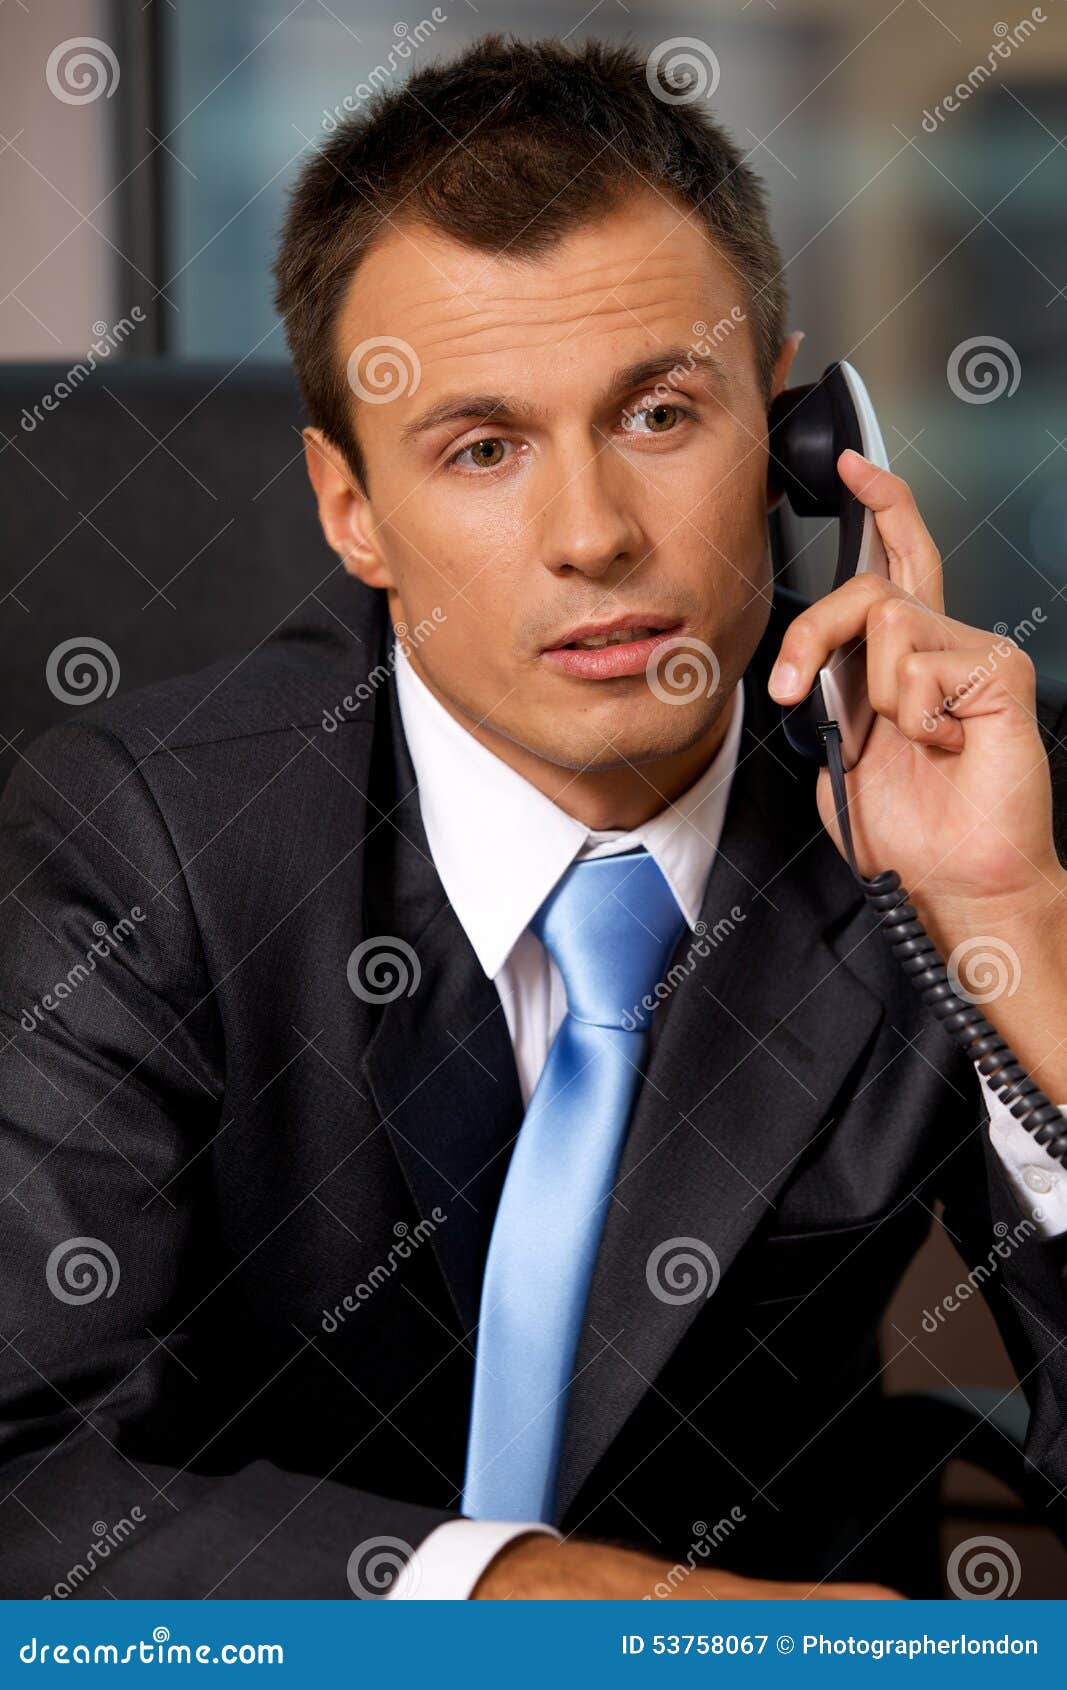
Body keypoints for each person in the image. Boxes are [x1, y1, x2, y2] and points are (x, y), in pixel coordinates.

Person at [1, 34, 1066, 1602]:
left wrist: (1010, 930)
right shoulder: (149, 842)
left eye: (657, 417)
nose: (592, 538)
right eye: (485, 447)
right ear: (351, 507)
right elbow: (31, 1478)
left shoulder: (956, 802)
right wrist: (570, 1611)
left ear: (794, 438)